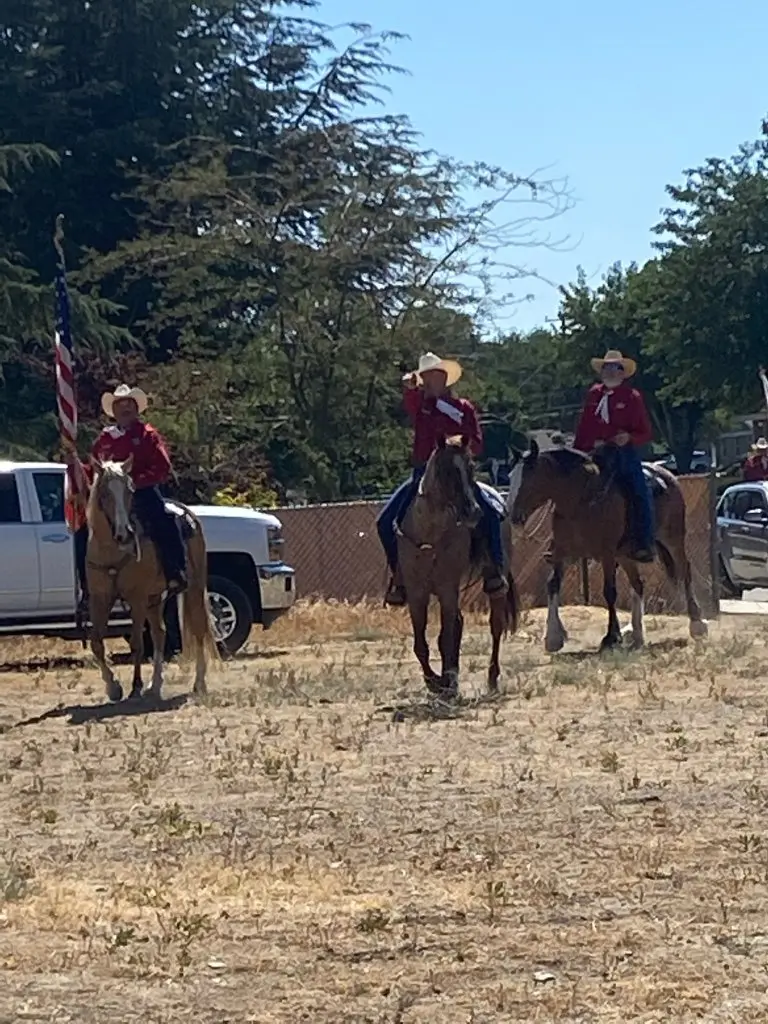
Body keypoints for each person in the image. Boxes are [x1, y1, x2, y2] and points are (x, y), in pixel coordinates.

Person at [376, 352, 506, 606]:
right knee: (384, 522)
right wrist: (410, 385)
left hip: (459, 473)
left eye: (437, 375)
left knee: (490, 512)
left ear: (446, 379)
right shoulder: (422, 406)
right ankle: (399, 577)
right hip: (425, 472)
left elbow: (477, 444)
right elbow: (410, 397)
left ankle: (494, 569)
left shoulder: (464, 408)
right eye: (428, 376)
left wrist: (459, 445)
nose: (434, 380)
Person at [65, 384, 187, 605]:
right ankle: (88, 587)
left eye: (129, 404)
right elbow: (93, 471)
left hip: (140, 491)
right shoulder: (104, 439)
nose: (125, 409)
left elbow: (162, 466)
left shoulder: (148, 435)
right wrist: (74, 464)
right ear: (114, 411)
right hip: (109, 497)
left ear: (136, 408)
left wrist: (133, 483)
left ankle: (174, 571)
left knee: (164, 520)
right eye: (120, 405)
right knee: (83, 531)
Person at [573, 349, 655, 563]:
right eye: (606, 368)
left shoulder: (632, 397)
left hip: (622, 453)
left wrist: (628, 437)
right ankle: (567, 540)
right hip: (596, 452)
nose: (609, 371)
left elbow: (645, 432)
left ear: (622, 373)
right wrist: (578, 451)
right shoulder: (594, 394)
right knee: (572, 487)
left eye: (614, 368)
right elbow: (584, 426)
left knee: (639, 490)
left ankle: (643, 541)